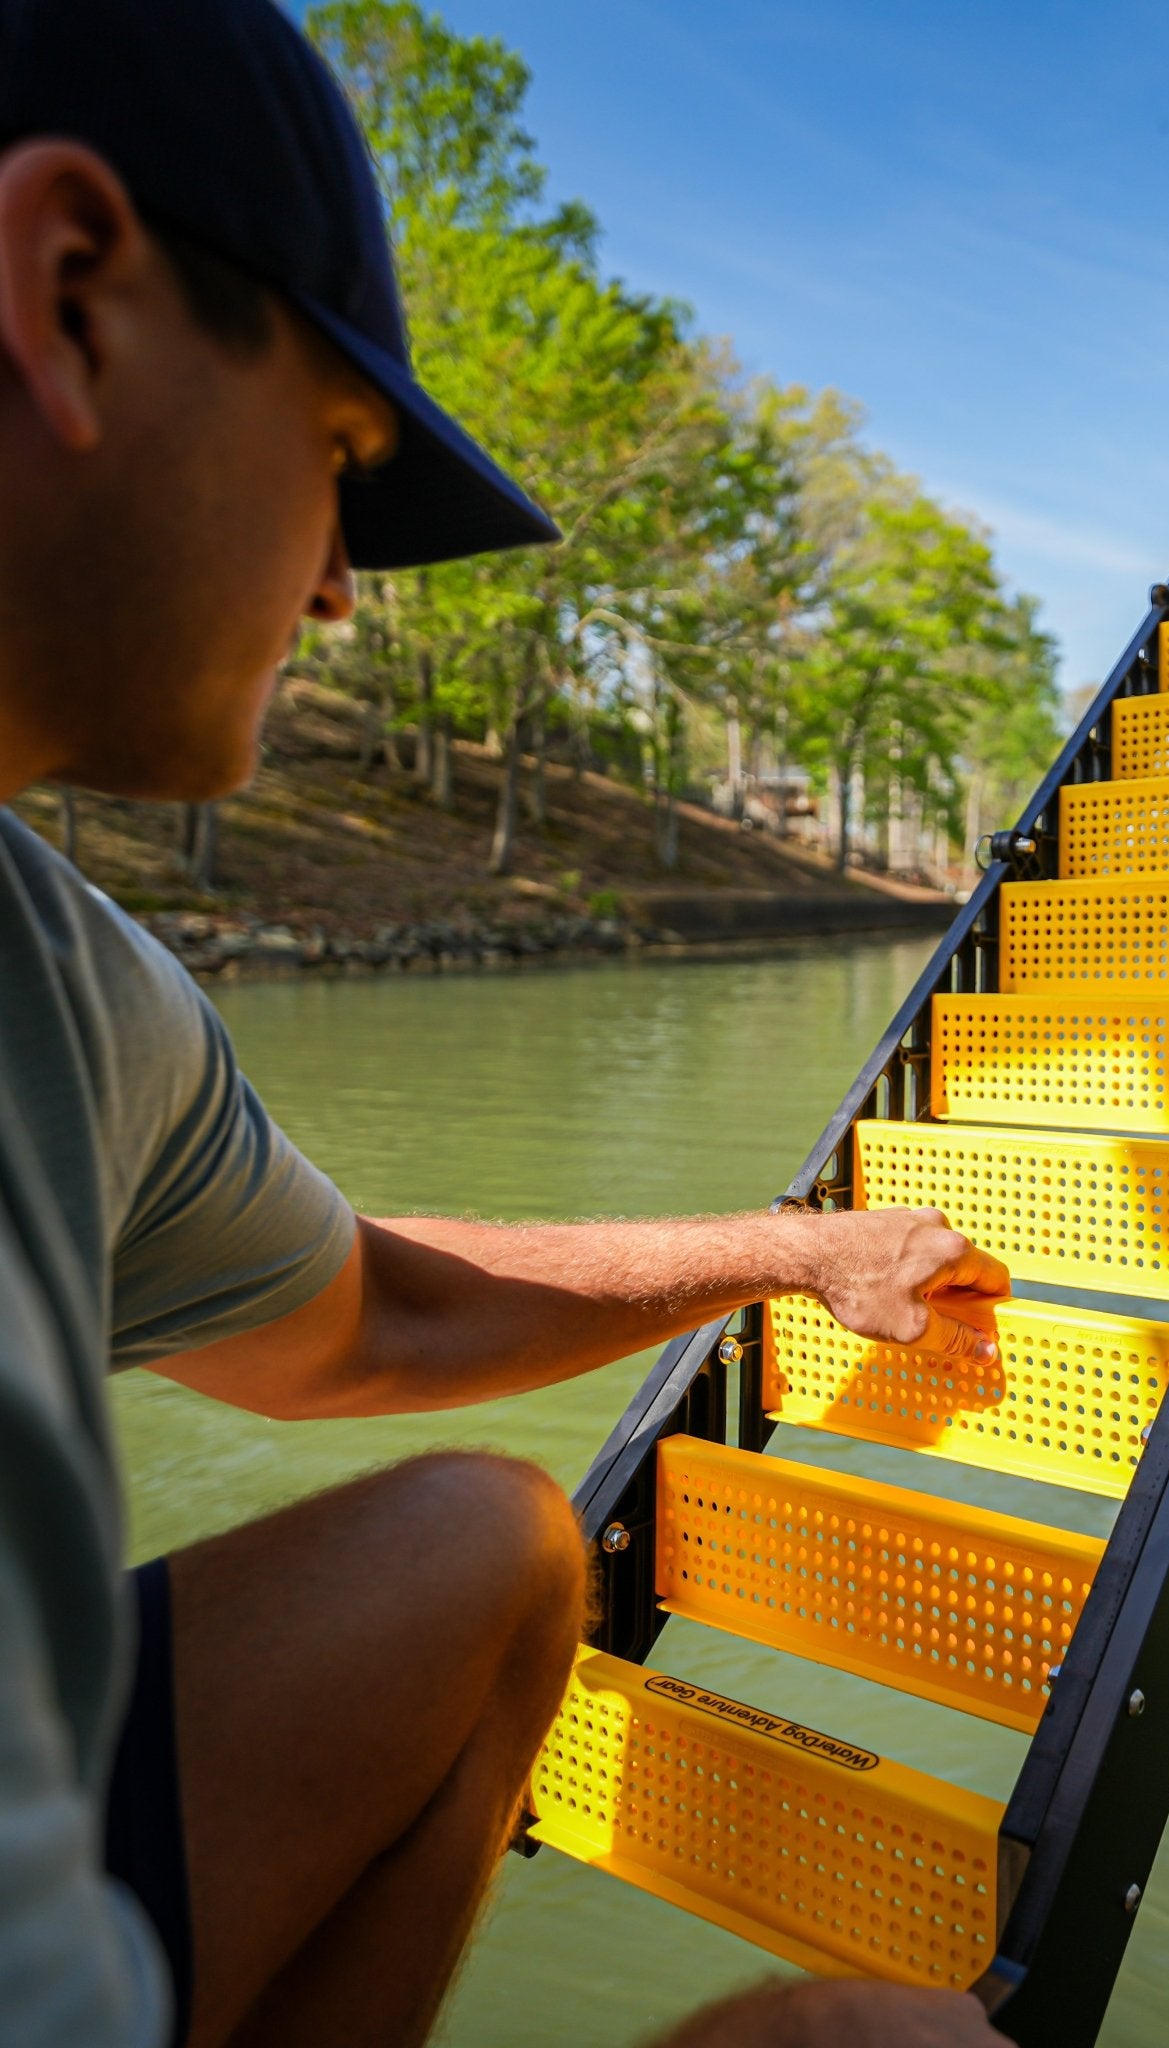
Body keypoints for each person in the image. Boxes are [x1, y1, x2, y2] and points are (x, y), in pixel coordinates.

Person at [0, 3, 1009, 2043]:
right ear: (71, 293)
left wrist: (792, 1248)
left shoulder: (66, 981)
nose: (345, 594)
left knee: (494, 1548)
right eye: (344, 461)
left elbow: (373, 1314)